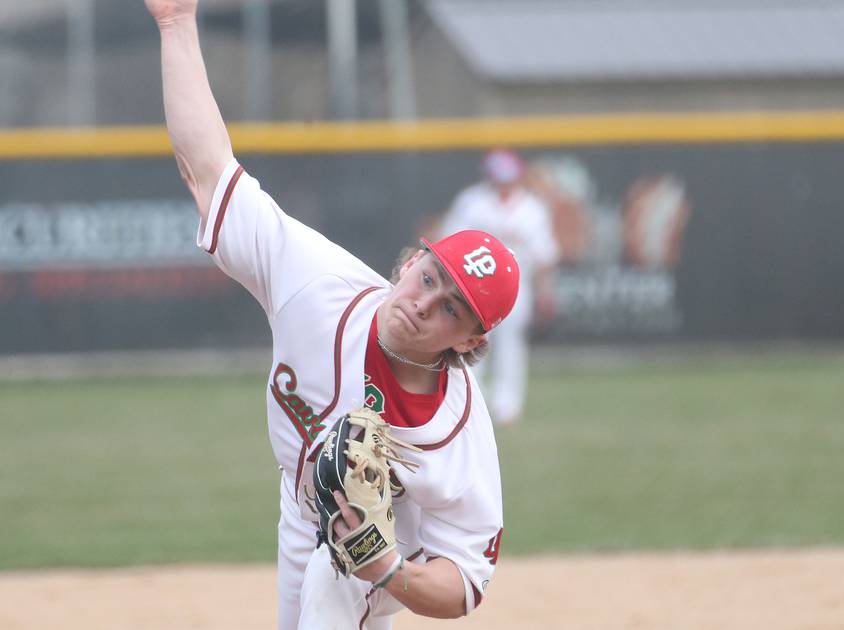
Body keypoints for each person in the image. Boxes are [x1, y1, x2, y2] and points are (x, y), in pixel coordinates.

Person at [144, 1, 518, 627]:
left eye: (451, 307)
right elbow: (209, 172)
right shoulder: (318, 285)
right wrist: (177, 23)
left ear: (471, 340)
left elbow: (466, 583)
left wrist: (389, 569)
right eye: (429, 278)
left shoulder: (455, 429)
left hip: (383, 544)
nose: (424, 304)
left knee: (335, 573)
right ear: (408, 263)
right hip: (300, 508)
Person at [438, 149, 560, 425]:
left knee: (510, 345)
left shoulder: (531, 208)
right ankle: (469, 403)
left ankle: (507, 405)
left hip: (518, 287)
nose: (503, 184)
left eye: (508, 178)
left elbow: (544, 255)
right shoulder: (472, 202)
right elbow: (449, 243)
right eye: (499, 178)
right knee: (470, 344)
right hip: (474, 287)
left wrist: (546, 293)